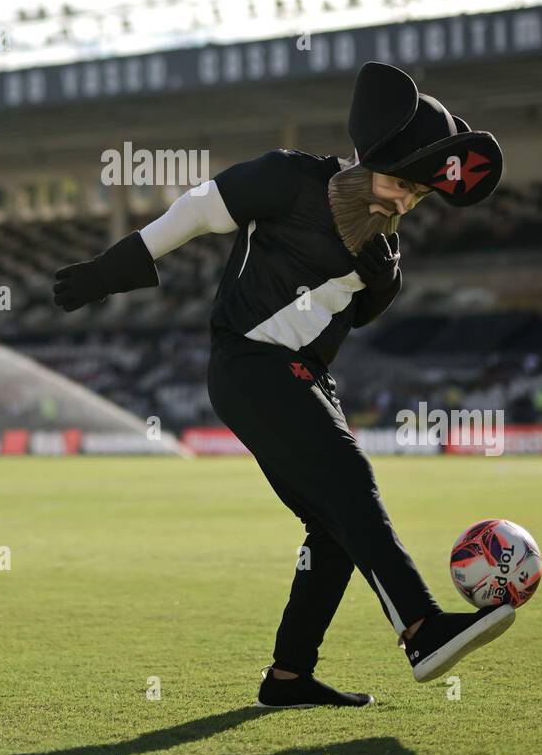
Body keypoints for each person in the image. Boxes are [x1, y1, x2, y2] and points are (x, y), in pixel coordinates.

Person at [53, 61, 510, 708]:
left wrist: (366, 276)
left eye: (418, 195)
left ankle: (288, 677)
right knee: (351, 484)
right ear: (367, 158)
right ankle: (422, 629)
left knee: (335, 530)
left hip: (302, 377)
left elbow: (352, 314)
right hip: (248, 365)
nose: (406, 203)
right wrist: (110, 270)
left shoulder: (384, 258)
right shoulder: (289, 179)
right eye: (401, 185)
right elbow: (198, 209)